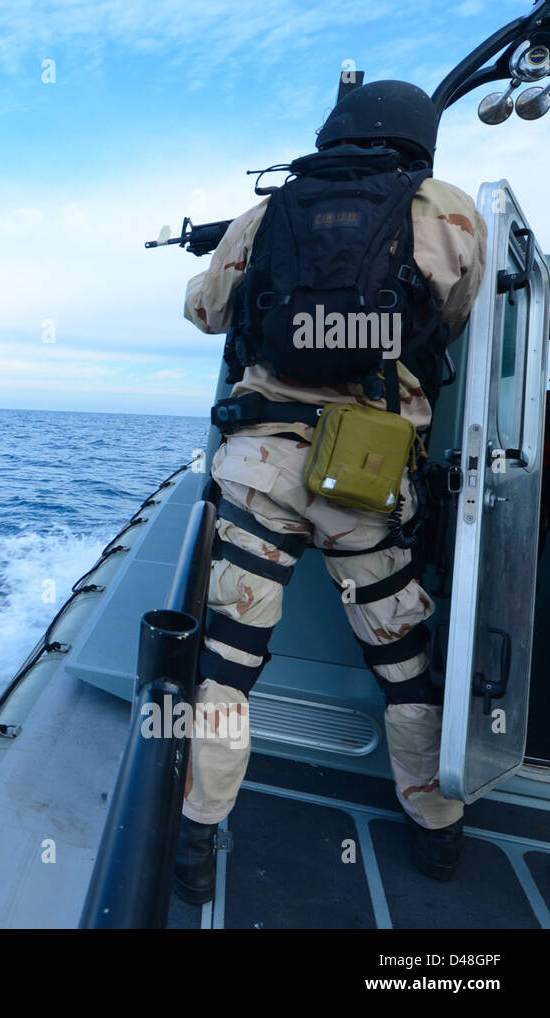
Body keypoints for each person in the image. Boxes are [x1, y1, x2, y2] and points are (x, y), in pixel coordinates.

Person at [176, 80, 488, 904]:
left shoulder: (267, 213)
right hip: (370, 477)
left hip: (261, 467)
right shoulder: (449, 208)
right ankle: (439, 835)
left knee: (228, 666)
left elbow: (205, 313)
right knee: (402, 665)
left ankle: (197, 842)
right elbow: (453, 319)